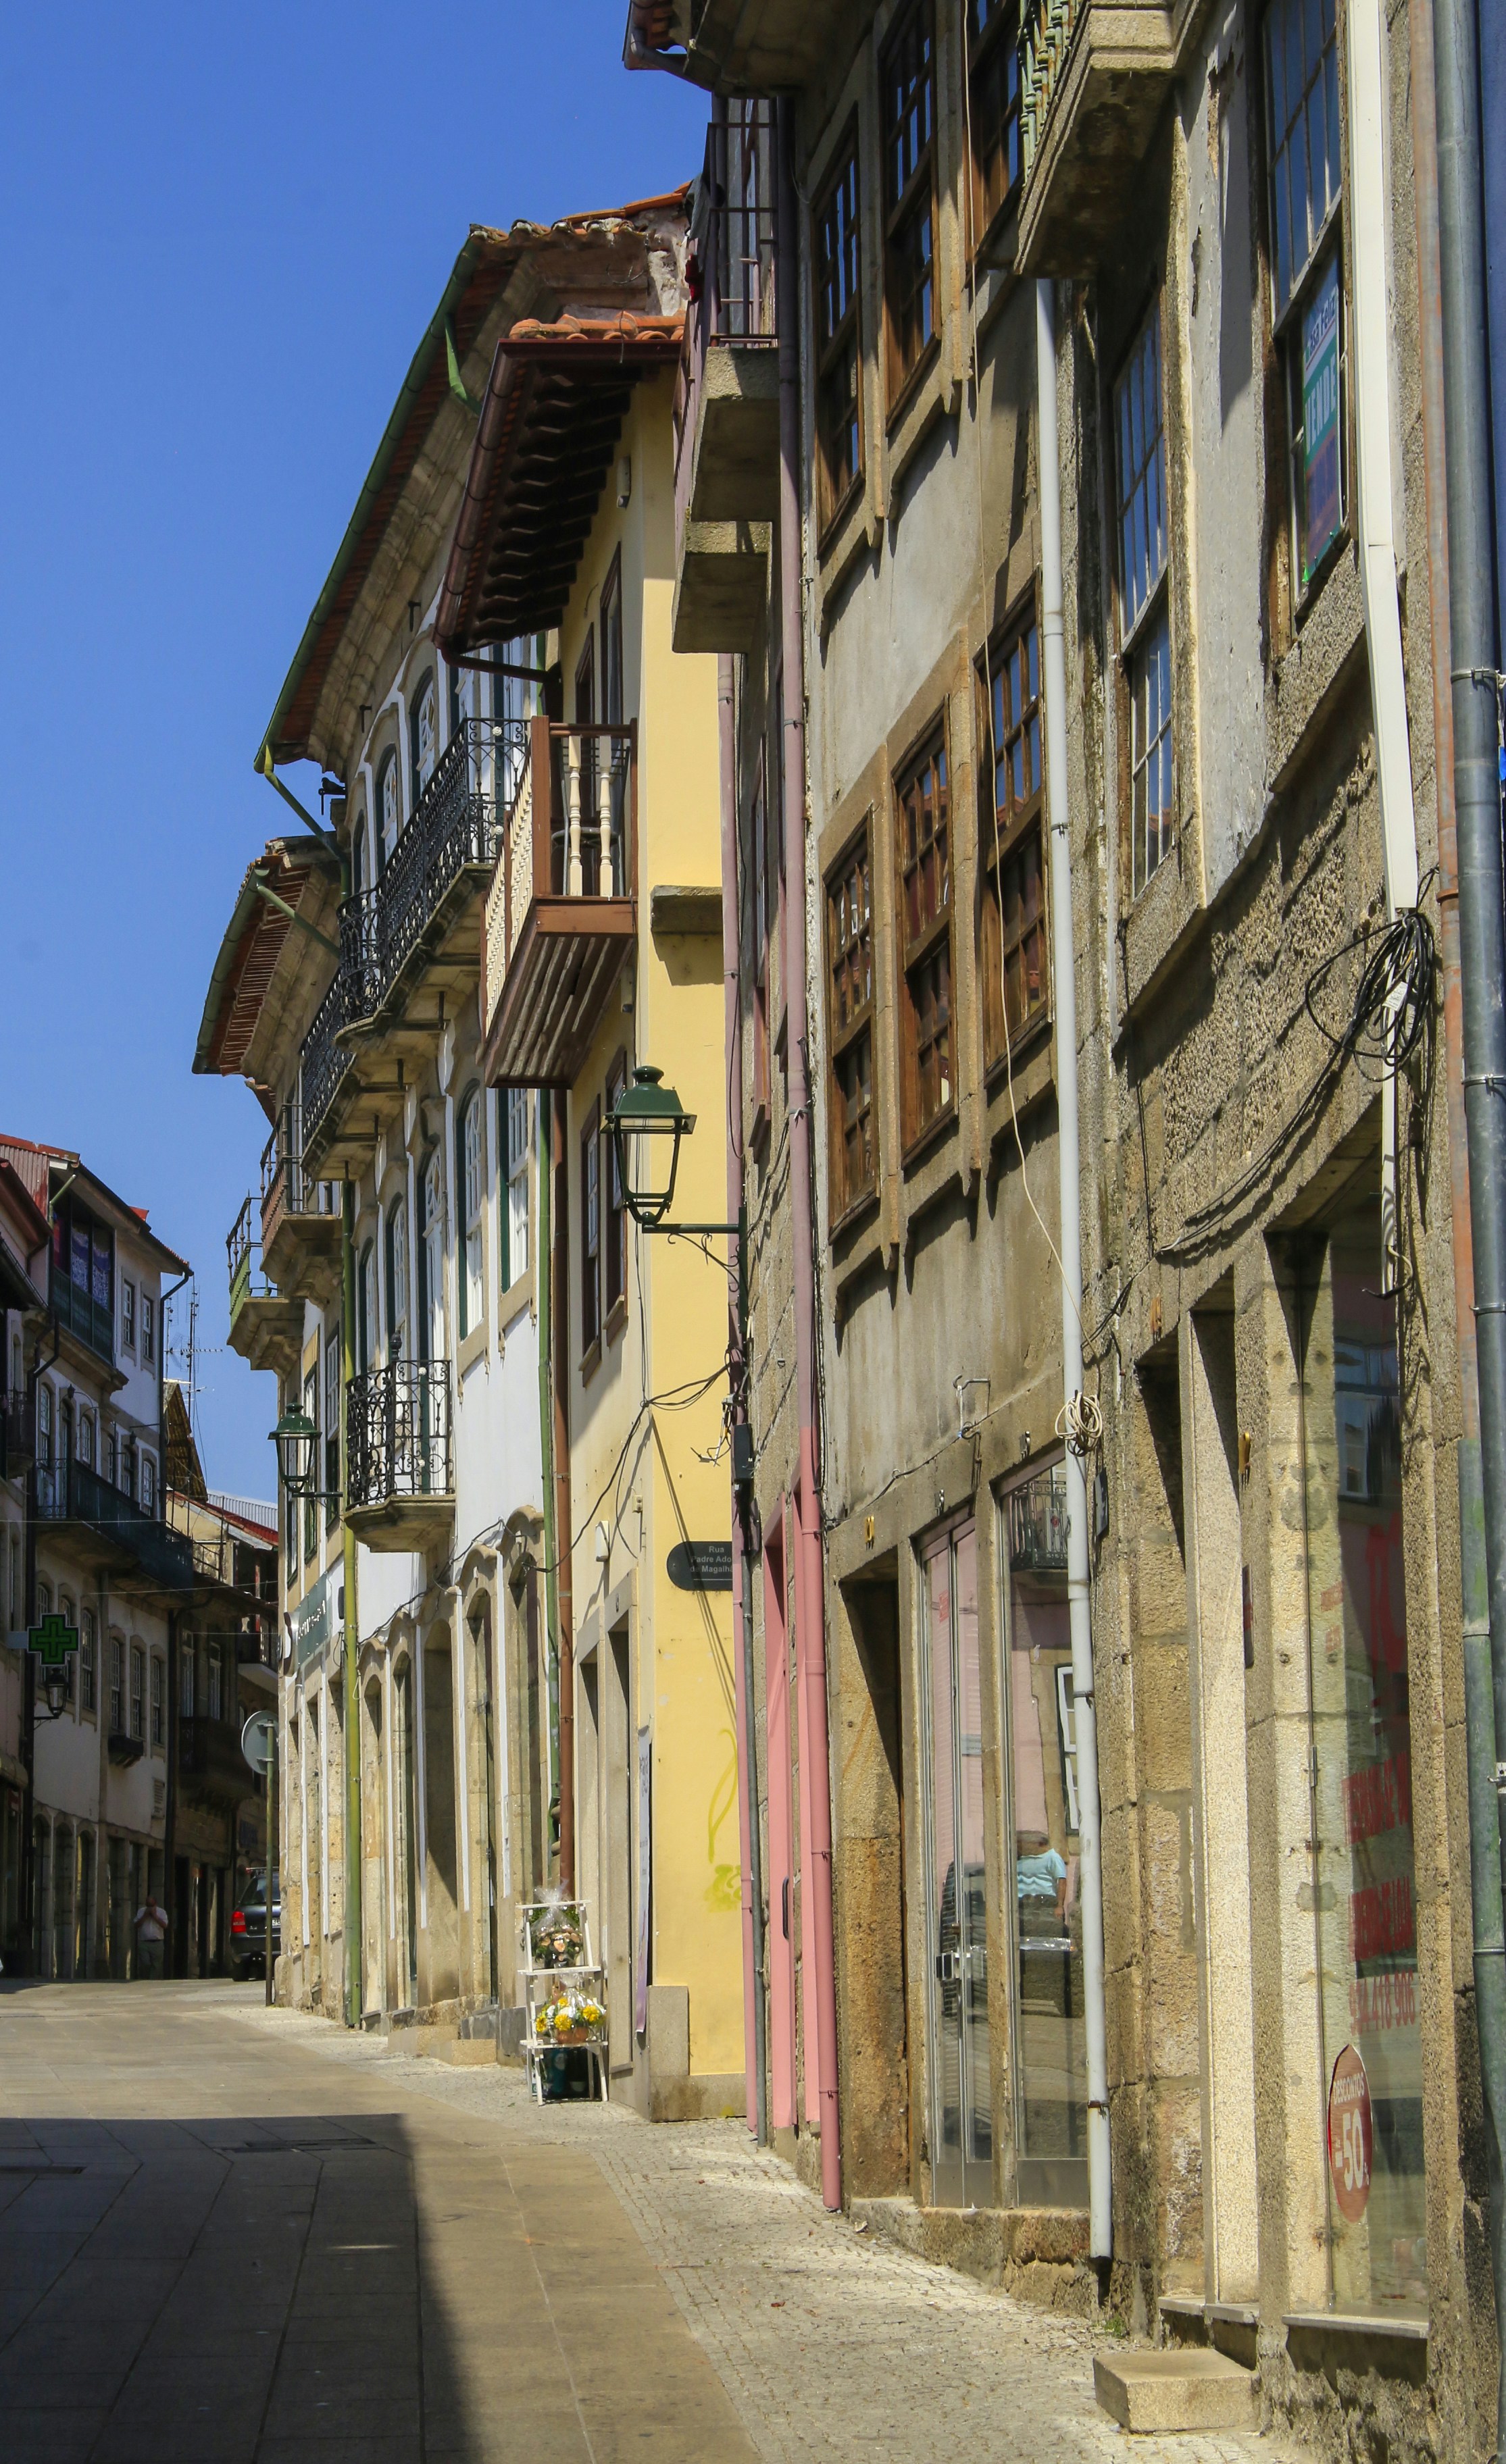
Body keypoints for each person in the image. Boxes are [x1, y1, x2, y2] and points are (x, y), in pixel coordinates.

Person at [133, 1894, 169, 1979]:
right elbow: (136, 1925)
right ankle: (145, 1979)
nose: (150, 1909)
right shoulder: (141, 1912)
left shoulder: (162, 1912)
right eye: (148, 1906)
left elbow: (165, 1925)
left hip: (157, 1942)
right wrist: (145, 1916)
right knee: (145, 1963)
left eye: (151, 1906)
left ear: (155, 1904)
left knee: (157, 1965)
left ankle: (153, 1981)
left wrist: (155, 1917)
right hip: (144, 1942)